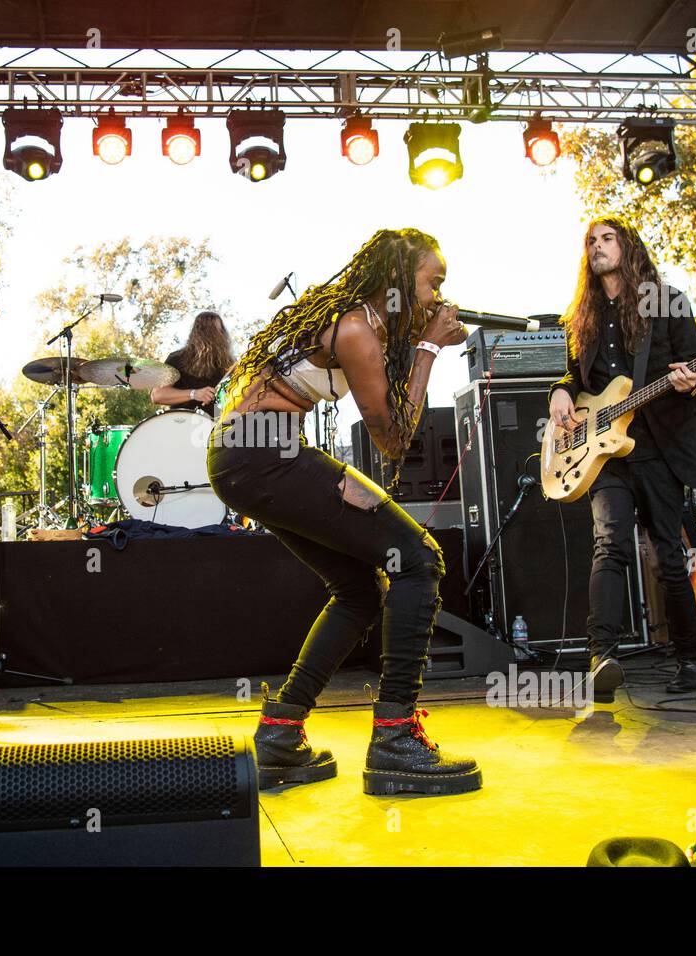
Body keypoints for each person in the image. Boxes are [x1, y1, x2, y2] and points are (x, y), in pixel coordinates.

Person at [209, 228, 477, 797]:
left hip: (253, 455)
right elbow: (395, 440)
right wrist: (429, 349)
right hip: (263, 455)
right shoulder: (355, 327)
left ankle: (280, 737)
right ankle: (395, 739)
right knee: (419, 561)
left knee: (358, 590)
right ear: (400, 280)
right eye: (435, 281)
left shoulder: (356, 322)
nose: (439, 295)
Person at [549, 216, 696, 700]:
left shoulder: (665, 301)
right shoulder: (578, 314)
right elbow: (572, 376)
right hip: (604, 453)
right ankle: (601, 657)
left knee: (668, 552)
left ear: (627, 247)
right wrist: (559, 394)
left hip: (658, 445)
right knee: (610, 544)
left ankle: (690, 658)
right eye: (591, 241)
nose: (598, 247)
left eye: (607, 239)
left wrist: (695, 381)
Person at [150, 310, 235, 413]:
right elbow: (158, 395)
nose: (218, 336)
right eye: (212, 331)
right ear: (200, 333)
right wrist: (194, 394)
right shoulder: (177, 358)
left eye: (220, 331)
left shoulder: (230, 364)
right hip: (183, 424)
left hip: (219, 425)